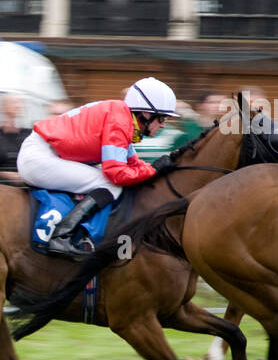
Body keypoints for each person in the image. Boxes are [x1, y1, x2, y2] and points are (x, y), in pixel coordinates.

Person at [16, 77, 179, 259]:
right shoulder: (119, 121)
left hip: (43, 153)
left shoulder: (122, 117)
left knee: (106, 181)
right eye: (162, 118)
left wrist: (156, 167)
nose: (163, 124)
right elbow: (116, 174)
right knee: (110, 185)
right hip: (39, 158)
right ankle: (62, 235)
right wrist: (153, 170)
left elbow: (132, 162)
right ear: (146, 114)